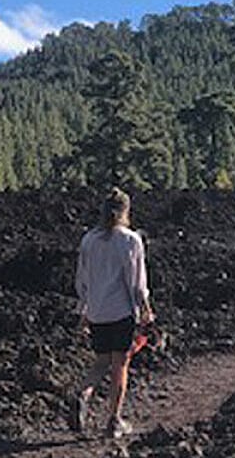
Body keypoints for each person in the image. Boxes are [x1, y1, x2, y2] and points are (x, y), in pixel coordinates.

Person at [72, 188, 155, 439]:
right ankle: (113, 420)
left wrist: (83, 309)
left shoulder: (89, 240)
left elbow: (82, 279)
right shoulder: (130, 240)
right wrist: (146, 310)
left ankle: (83, 394)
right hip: (121, 312)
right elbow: (137, 282)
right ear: (126, 212)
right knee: (120, 364)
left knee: (101, 361)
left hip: (97, 311)